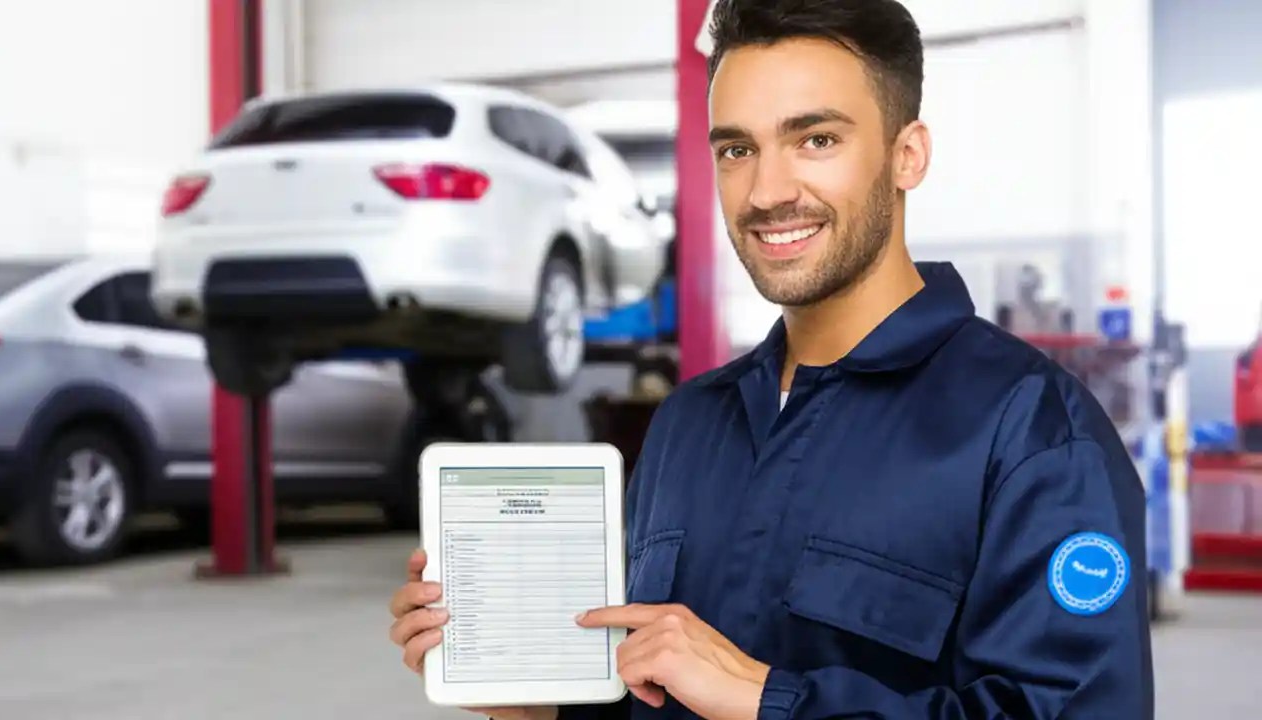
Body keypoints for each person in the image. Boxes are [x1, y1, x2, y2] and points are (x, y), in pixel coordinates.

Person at [388, 0, 1155, 718]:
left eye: (815, 140)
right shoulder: (687, 425)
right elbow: (646, 692)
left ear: (907, 155)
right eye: (737, 149)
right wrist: (538, 705)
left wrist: (769, 700)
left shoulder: (1032, 432)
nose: (765, 191)